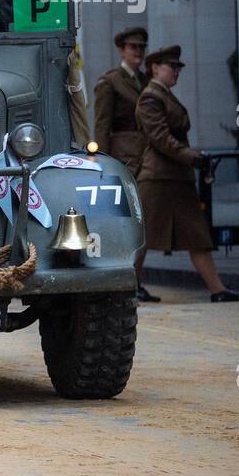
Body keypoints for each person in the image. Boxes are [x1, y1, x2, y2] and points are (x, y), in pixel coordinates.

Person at [135, 45, 239, 303]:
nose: (176, 71)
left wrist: (192, 157)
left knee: (196, 236)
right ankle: (129, 287)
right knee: (142, 237)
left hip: (175, 177)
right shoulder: (151, 97)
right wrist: (192, 156)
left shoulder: (163, 95)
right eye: (171, 66)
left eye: (178, 67)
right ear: (155, 67)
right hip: (158, 178)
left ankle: (218, 290)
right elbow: (160, 139)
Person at [94, 26, 156, 300]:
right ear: (122, 50)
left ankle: (135, 280)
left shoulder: (145, 80)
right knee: (127, 220)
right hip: (123, 158)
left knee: (142, 220)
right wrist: (103, 163)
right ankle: (124, 280)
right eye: (133, 48)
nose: (138, 52)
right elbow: (102, 124)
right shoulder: (111, 81)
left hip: (146, 156)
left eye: (141, 48)